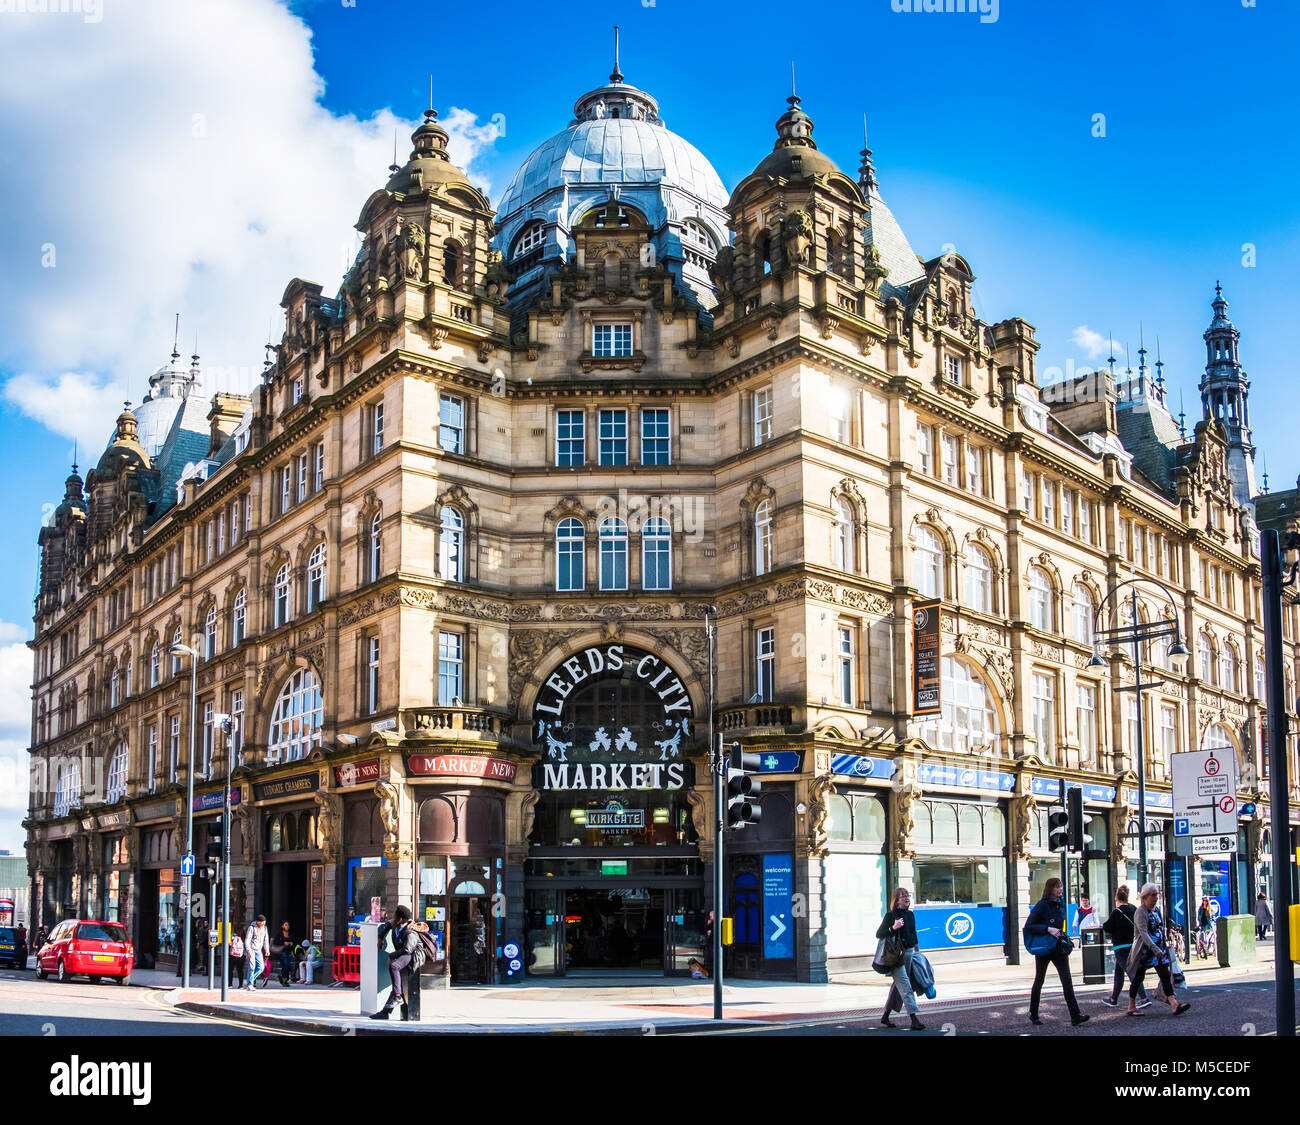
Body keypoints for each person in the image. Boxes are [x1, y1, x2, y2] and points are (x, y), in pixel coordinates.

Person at [1025, 877, 1089, 1027]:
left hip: (1058, 947)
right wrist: (1047, 928)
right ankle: (1033, 1014)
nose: (1060, 889)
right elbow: (1029, 926)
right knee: (1039, 980)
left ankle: (1075, 1015)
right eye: (1056, 887)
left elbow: (1061, 923)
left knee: (1067, 981)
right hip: (1045, 947)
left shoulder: (1061, 904)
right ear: (1050, 889)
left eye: (1060, 886)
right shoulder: (1042, 905)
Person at [1127, 883, 1190, 1017]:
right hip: (1144, 952)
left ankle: (1174, 1004)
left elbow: (1160, 927)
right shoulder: (1140, 912)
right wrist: (1155, 948)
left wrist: (1165, 944)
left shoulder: (1156, 910)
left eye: (1157, 894)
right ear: (1145, 897)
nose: (1156, 897)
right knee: (1138, 978)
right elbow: (1143, 934)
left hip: (1159, 951)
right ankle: (1131, 1006)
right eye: (1153, 895)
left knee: (1165, 976)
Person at [876, 887, 925, 1031]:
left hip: (910, 953)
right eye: (903, 896)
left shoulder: (910, 914)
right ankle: (914, 1019)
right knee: (905, 986)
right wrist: (893, 927)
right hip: (896, 957)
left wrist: (917, 951)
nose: (906, 898)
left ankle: (885, 1016)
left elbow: (913, 932)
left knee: (898, 987)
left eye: (907, 895)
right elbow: (879, 934)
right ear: (896, 901)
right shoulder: (891, 916)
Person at [1100, 886, 1149, 1009]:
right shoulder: (1133, 908)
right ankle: (1113, 998)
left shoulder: (1117, 912)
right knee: (1119, 972)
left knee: (1131, 972)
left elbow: (1108, 927)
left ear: (1117, 899)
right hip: (1134, 944)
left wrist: (1103, 925)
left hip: (1121, 947)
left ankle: (1144, 998)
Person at [371, 904, 419, 1020]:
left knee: (394, 966)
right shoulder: (396, 926)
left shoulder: (409, 932)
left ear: (400, 919)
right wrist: (380, 938)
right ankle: (385, 1012)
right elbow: (387, 926)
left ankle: (397, 997)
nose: (392, 917)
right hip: (402, 954)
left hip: (410, 956)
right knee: (397, 985)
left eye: (395, 916)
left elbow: (408, 949)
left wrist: (391, 956)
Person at [243, 915, 270, 990]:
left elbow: (266, 940)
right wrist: (248, 951)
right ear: (258, 922)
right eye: (262, 923)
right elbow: (247, 940)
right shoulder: (251, 928)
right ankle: (250, 984)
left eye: (264, 922)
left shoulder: (264, 928)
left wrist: (267, 950)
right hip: (251, 949)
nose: (263, 924)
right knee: (252, 967)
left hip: (259, 950)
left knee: (261, 967)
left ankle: (249, 981)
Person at [273, 921, 295, 987]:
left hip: (289, 952)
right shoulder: (280, 933)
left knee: (289, 966)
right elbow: (275, 942)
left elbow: (294, 941)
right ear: (282, 926)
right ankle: (284, 980)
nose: (287, 926)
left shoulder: (290, 933)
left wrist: (291, 943)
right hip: (282, 952)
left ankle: (282, 976)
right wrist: (283, 943)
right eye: (285, 925)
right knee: (285, 965)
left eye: (288, 925)